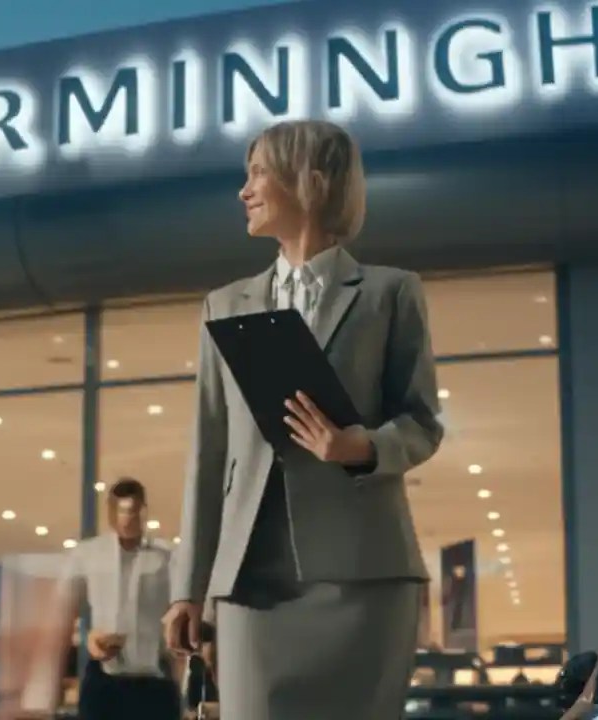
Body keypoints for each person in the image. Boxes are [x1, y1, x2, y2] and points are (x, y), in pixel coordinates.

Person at [162, 119, 444, 720]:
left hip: (364, 578)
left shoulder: (390, 294)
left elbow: (422, 422)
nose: (244, 189)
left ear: (309, 181)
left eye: (259, 172)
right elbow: (208, 455)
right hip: (253, 585)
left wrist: (359, 446)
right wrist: (188, 587)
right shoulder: (225, 304)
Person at [59, 478, 181, 720]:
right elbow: (65, 608)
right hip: (103, 677)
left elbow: (179, 612)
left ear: (143, 511)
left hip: (154, 678)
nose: (128, 518)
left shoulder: (167, 558)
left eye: (133, 511)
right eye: (122, 511)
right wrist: (88, 639)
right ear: (111, 512)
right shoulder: (88, 554)